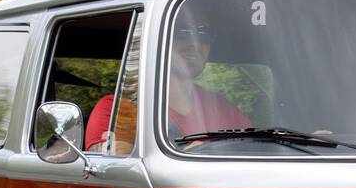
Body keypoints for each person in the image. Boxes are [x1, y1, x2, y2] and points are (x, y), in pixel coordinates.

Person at [83, 10, 250, 150]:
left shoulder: (223, 108)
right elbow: (116, 172)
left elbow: (254, 154)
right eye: (182, 31)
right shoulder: (118, 110)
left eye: (203, 34)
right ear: (157, 40)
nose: (195, 43)